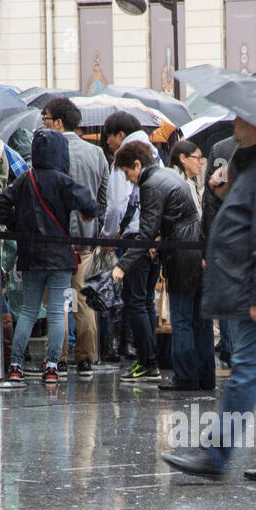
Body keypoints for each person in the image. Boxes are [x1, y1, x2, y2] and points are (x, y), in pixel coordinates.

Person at [161, 114, 256, 482]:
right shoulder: (252, 159)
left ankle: (215, 454)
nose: (235, 125)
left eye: (242, 119)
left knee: (247, 369)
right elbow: (249, 215)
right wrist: (222, 191)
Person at [0, 128, 97, 386]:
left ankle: (15, 365)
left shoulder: (25, 179)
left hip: (30, 254)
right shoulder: (63, 180)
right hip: (60, 256)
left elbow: (0, 205)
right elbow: (90, 203)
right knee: (55, 312)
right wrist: (85, 213)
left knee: (28, 310)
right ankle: (52, 365)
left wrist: (18, 225)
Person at [112, 139, 206, 391]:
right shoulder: (165, 174)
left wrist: (122, 266)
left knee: (182, 318)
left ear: (137, 164)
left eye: (127, 172)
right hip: (193, 246)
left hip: (181, 253)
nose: (128, 179)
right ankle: (204, 376)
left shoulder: (150, 184)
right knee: (199, 319)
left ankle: (185, 377)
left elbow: (145, 234)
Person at [43, 96, 109, 377]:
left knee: (57, 300)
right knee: (84, 299)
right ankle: (85, 358)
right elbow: (104, 199)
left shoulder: (49, 153)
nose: (43, 124)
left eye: (45, 119)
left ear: (58, 122)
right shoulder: (96, 154)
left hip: (54, 238)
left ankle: (57, 357)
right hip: (86, 240)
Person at [101, 111, 161, 380]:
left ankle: (147, 363)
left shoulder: (125, 157)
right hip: (154, 237)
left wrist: (107, 235)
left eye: (109, 138)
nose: (108, 144)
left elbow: (116, 204)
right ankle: (151, 359)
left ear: (120, 134)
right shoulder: (154, 152)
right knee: (146, 301)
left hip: (135, 236)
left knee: (135, 301)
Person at [169, 138, 206, 212]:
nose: (201, 162)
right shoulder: (176, 185)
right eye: (198, 158)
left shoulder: (187, 181)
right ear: (183, 158)